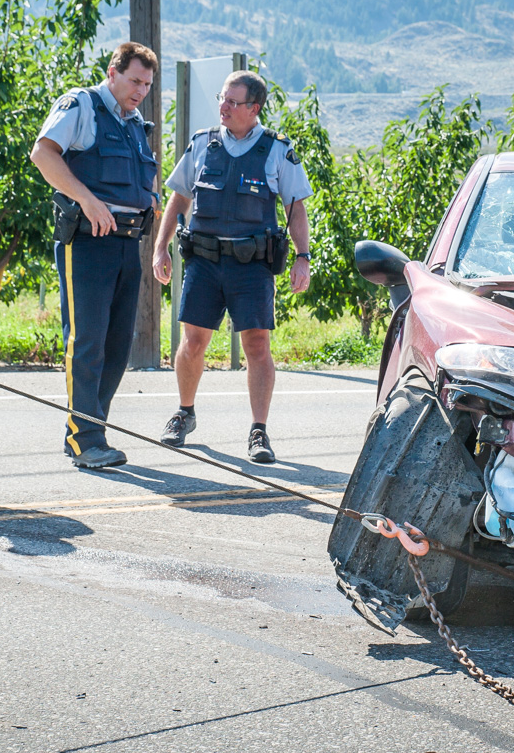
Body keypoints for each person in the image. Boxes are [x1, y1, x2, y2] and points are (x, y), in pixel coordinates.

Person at [151, 70, 311, 463]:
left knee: (257, 345)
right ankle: (184, 413)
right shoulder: (202, 143)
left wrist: (302, 257)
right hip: (204, 262)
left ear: (254, 109)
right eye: (222, 98)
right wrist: (160, 247)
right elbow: (178, 199)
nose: (223, 106)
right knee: (193, 343)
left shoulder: (277, 149)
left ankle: (259, 431)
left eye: (232, 101)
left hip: (252, 266)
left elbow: (295, 208)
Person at [29, 42, 160, 470]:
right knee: (86, 341)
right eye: (135, 81)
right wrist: (86, 199)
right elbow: (42, 153)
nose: (141, 91)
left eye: (147, 85)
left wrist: (151, 202)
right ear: (112, 72)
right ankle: (84, 439)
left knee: (118, 346)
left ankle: (89, 429)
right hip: (86, 241)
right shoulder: (81, 105)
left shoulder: (135, 124)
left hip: (127, 242)